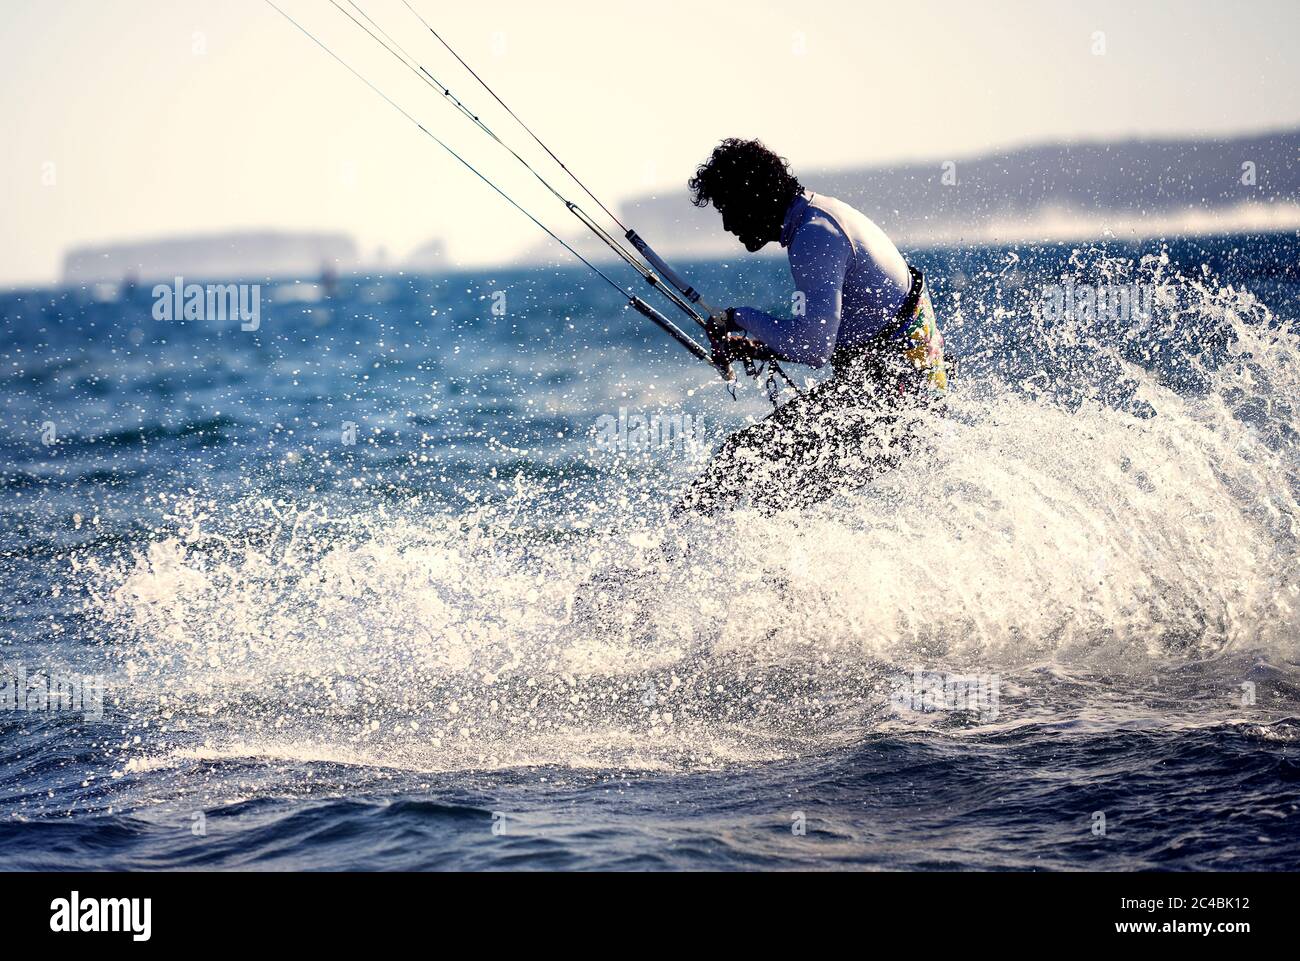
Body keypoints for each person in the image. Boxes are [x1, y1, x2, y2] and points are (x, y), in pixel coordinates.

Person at [676, 138, 949, 514]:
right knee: (768, 489)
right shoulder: (820, 216)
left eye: (728, 208)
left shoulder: (816, 236)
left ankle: (666, 563)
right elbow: (845, 331)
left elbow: (812, 349)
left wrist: (738, 317)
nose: (726, 225)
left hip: (894, 406)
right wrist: (757, 347)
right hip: (899, 398)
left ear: (753, 196)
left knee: (740, 462)